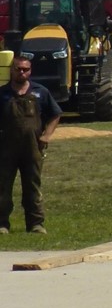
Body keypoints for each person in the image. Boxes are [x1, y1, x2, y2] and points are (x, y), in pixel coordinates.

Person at [0, 57, 62, 235]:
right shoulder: (2, 93)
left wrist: (47, 135)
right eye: (18, 69)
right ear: (12, 70)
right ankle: (2, 224)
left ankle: (36, 224)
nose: (22, 72)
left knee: (33, 187)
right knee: (2, 188)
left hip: (32, 148)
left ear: (30, 71)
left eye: (25, 69)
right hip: (5, 149)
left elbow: (55, 114)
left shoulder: (40, 92)